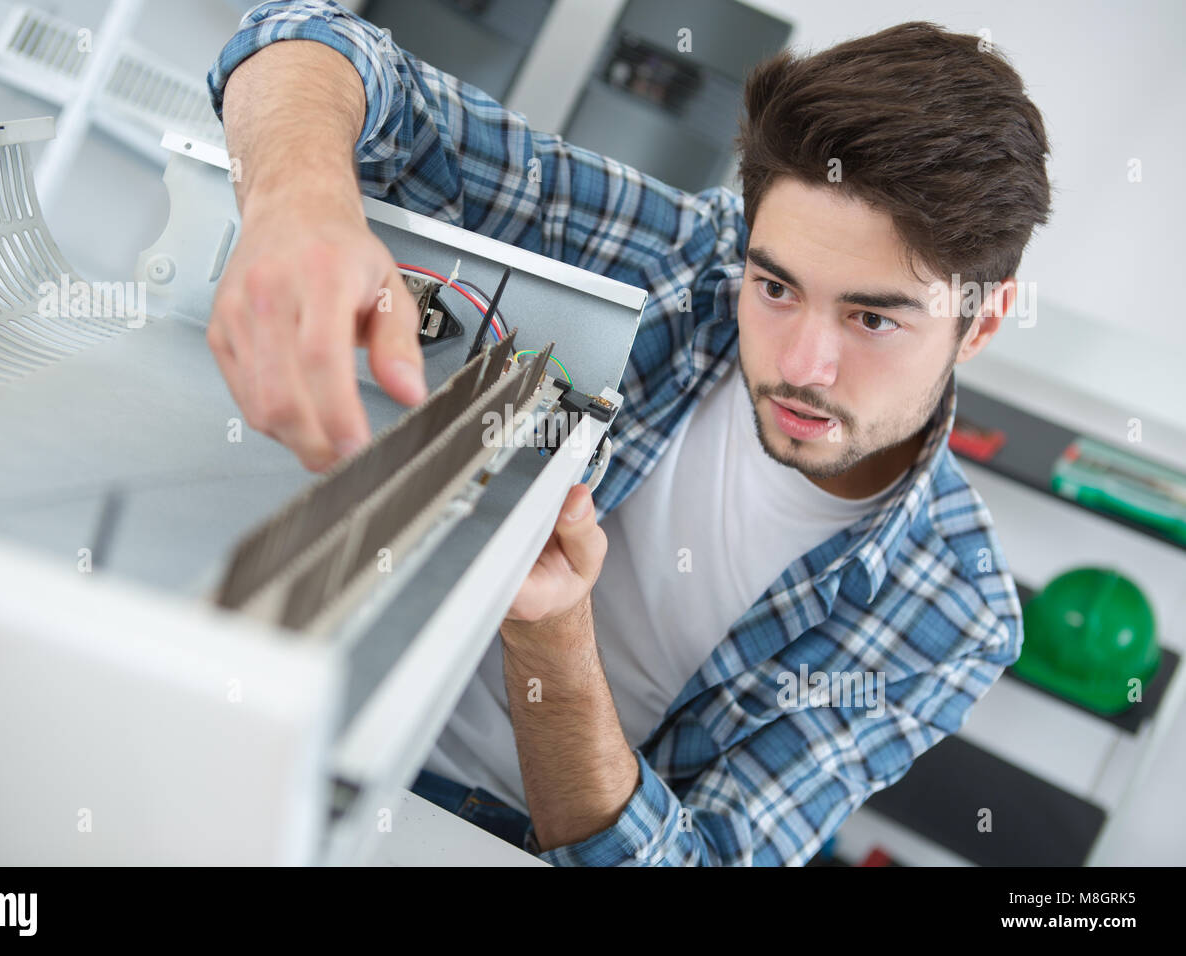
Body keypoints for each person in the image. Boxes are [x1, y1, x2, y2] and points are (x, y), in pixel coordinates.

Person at [205, 0, 1050, 865]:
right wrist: (298, 202)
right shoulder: (680, 254)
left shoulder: (953, 609)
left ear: (981, 324)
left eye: (873, 319)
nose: (802, 364)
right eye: (776, 286)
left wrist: (554, 638)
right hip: (302, 717)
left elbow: (705, 862)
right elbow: (308, 38)